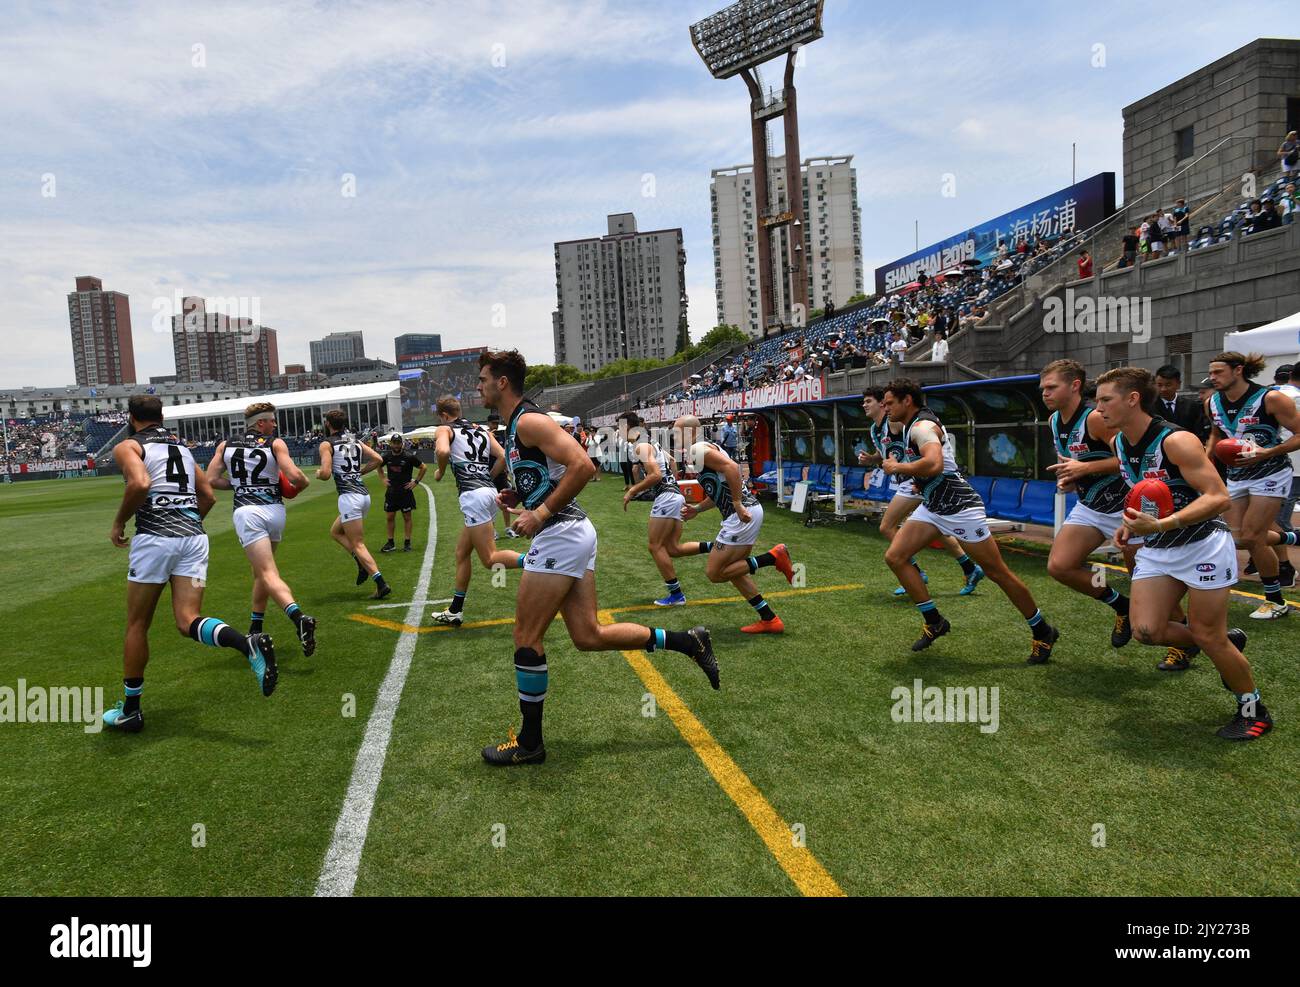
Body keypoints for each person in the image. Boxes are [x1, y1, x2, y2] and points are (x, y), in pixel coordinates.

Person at [476, 351, 719, 766]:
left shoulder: (531, 420)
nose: (477, 387)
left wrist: (541, 513)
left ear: (502, 382)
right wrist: (521, 497)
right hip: (570, 533)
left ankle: (530, 743)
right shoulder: (516, 425)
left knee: (526, 638)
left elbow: (583, 466)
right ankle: (687, 640)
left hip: (561, 534)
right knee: (588, 635)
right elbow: (551, 474)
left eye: (482, 379)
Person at [1099, 366, 1289, 740]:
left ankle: (1254, 711)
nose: (1099, 408)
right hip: (1158, 548)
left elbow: (1218, 498)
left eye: (1106, 399)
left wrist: (1160, 527)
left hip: (1203, 544)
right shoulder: (1118, 443)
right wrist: (1129, 522)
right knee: (1146, 631)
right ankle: (1224, 642)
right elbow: (1145, 493)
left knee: (1206, 633)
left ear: (1132, 399)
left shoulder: (1176, 441)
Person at [103, 396, 277, 732]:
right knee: (188, 620)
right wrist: (185, 524)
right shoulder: (182, 446)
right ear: (162, 416)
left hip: (154, 538)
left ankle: (131, 711)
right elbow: (208, 495)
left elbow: (139, 484)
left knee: (137, 625)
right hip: (194, 538)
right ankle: (247, 644)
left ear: (130, 417)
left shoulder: (129, 445)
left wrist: (118, 522)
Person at [880, 378, 1059, 662]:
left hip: (960, 507)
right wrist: (919, 481)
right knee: (896, 556)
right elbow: (937, 468)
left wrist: (898, 467)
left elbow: (935, 463)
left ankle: (1042, 630)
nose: (885, 407)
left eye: (890, 402)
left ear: (907, 401)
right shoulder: (911, 425)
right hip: (934, 506)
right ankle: (934, 621)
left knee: (997, 572)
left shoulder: (922, 426)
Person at [205, 401, 317, 656]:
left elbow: (211, 479)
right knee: (262, 572)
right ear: (260, 423)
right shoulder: (275, 444)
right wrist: (296, 488)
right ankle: (255, 626)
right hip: (275, 512)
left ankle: (299, 618)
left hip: (248, 512)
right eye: (272, 421)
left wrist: (240, 486)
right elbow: (299, 478)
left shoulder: (226, 445)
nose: (275, 425)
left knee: (267, 572)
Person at [1039, 361, 1138, 647]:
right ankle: (1121, 606)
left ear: (1075, 386)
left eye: (1051, 387)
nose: (1045, 393)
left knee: (1144, 580)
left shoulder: (1094, 418)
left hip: (1125, 507)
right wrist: (1070, 478)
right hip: (1091, 506)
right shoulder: (1054, 421)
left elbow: (1129, 459)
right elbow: (1070, 460)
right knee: (1060, 566)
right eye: (1043, 388)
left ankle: (1181, 637)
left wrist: (1084, 469)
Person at [857, 387, 983, 598]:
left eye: (868, 401)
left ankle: (914, 572)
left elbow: (916, 438)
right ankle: (970, 568)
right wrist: (871, 458)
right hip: (909, 480)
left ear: (882, 404)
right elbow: (884, 452)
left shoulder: (896, 422)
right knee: (938, 528)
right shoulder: (874, 429)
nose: (864, 405)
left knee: (887, 526)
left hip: (914, 479)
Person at [675, 414, 795, 633]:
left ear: (691, 432)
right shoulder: (704, 449)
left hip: (740, 515)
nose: (674, 436)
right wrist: (698, 509)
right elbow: (720, 490)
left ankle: (773, 557)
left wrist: (738, 504)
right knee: (733, 571)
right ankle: (769, 619)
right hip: (743, 512)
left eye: (677, 431)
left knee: (715, 572)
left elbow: (732, 468)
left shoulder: (698, 450)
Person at [1204, 351, 1300, 619]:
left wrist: (1268, 452)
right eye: (1211, 372)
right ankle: (1293, 537)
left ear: (1238, 370)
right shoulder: (1212, 402)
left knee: (1253, 537)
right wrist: (1205, 460)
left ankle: (1275, 600)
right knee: (1238, 539)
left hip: (1271, 471)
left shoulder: (1270, 398)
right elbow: (1215, 434)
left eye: (1218, 372)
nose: (1212, 378)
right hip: (1236, 474)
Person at [429, 396, 524, 626]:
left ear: (443, 415)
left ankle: (537, 559)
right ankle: (455, 610)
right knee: (462, 552)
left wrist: (440, 472)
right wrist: (488, 478)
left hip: (473, 496)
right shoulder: (481, 430)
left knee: (490, 560)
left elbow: (442, 452)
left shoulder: (444, 428)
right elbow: (503, 456)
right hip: (488, 493)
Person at [619, 411, 710, 606]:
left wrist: (632, 491)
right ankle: (717, 546)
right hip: (673, 494)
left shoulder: (641, 445)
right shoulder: (650, 441)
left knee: (655, 546)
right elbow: (671, 462)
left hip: (667, 496)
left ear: (628, 427)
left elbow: (655, 475)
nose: (618, 433)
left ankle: (676, 595)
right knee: (673, 548)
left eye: (619, 428)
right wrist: (674, 487)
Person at [318, 410, 390, 600]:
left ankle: (380, 583)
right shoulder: (352, 439)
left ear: (328, 423)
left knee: (358, 544)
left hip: (349, 497)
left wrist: (319, 473)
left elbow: (325, 474)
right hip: (363, 495)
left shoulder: (327, 443)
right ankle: (360, 563)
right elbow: (378, 459)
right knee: (335, 531)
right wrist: (360, 472)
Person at [379, 433, 426, 553]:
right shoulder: (387, 456)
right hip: (391, 492)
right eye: (394, 443)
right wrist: (383, 478)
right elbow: (378, 465)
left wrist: (415, 482)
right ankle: (390, 543)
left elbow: (423, 467)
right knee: (390, 517)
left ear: (402, 443)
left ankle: (407, 542)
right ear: (391, 444)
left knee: (407, 517)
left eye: (398, 442)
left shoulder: (409, 457)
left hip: (405, 492)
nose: (396, 445)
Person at [1153, 365, 1207, 439]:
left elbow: (1198, 432)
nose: (1163, 389)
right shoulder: (1149, 406)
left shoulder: (1192, 406)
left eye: (1168, 385)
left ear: (1178, 384)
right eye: (1159, 385)